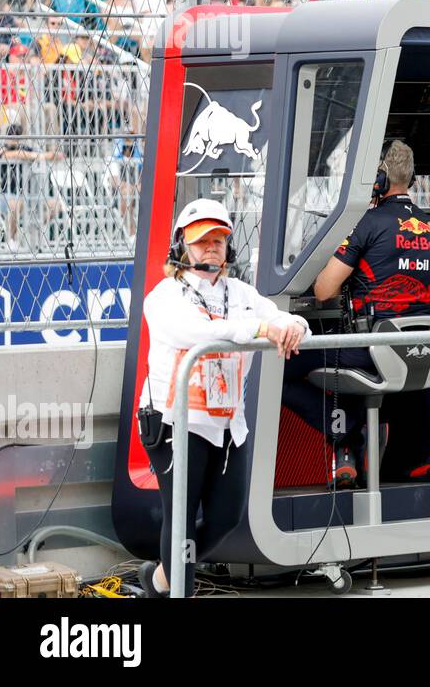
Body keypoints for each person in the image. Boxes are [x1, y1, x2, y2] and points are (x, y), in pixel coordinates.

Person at [139, 198, 309, 597]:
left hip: (229, 424)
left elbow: (288, 320)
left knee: (227, 516)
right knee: (179, 516)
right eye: (201, 240)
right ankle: (178, 589)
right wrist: (261, 328)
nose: (211, 246)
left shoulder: (243, 294)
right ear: (182, 245)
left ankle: (160, 579)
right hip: (175, 422)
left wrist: (291, 327)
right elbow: (198, 334)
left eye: (219, 238)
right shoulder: (164, 297)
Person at [291, 140, 430, 485]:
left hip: (371, 348)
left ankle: (344, 428)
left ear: (378, 179)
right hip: (420, 348)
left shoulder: (367, 222)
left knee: (278, 362)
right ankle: (416, 448)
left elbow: (323, 291)